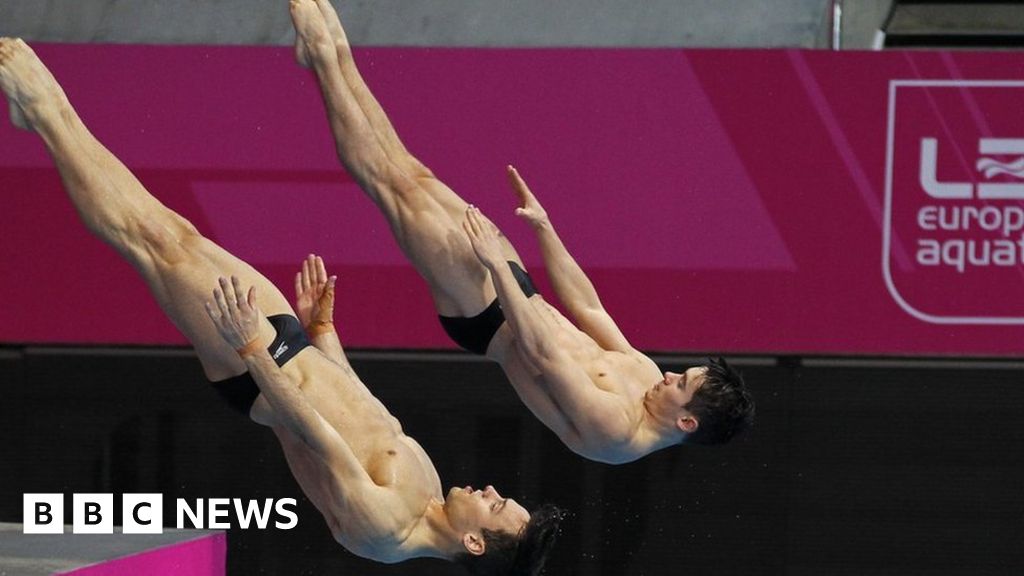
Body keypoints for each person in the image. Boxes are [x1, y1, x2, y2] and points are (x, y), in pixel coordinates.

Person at [0, 35, 561, 574]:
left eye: (494, 505)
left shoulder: (385, 531)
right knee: (177, 235)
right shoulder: (429, 491)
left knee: (152, 239)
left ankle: (46, 110)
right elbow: (358, 408)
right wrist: (325, 333)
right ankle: (46, 121)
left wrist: (250, 346)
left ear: (473, 543)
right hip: (289, 351)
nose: (491, 490)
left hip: (257, 366)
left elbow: (313, 430)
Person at [291, 0, 755, 465]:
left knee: (391, 186)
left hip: (486, 314)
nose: (669, 376)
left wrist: (497, 266)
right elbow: (588, 306)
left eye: (681, 384)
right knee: (413, 174)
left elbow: (541, 355)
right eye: (681, 373)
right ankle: (336, 57)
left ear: (687, 422)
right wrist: (544, 228)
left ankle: (324, 62)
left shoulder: (615, 434)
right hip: (517, 288)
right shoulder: (645, 374)